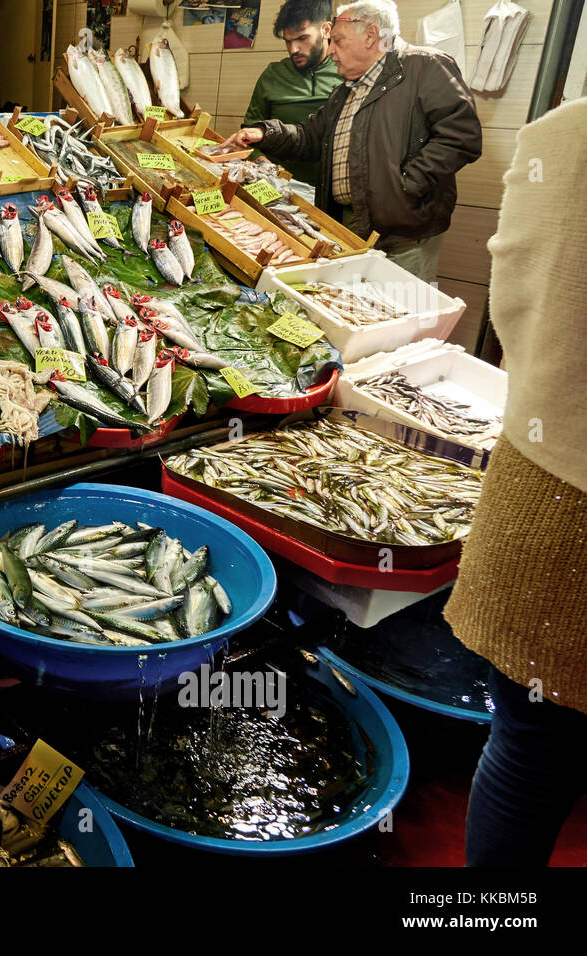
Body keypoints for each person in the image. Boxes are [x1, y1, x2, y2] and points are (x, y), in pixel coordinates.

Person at [442, 96, 587, 866]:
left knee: (530, 747)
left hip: (552, 495)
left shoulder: (565, 134)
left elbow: (517, 299)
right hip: (553, 495)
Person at [217, 0, 481, 283]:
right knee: (358, 309)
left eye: (338, 41)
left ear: (370, 35)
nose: (330, 51)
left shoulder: (425, 65)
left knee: (398, 312)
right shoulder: (346, 90)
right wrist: (265, 133)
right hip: (348, 225)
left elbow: (461, 137)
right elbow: (310, 137)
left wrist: (404, 185)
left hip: (402, 234)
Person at [241, 0, 342, 186]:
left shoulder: (346, 72)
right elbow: (248, 134)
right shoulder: (273, 75)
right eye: (288, 41)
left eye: (302, 38)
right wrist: (271, 172)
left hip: (329, 194)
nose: (293, 49)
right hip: (275, 187)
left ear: (326, 30)